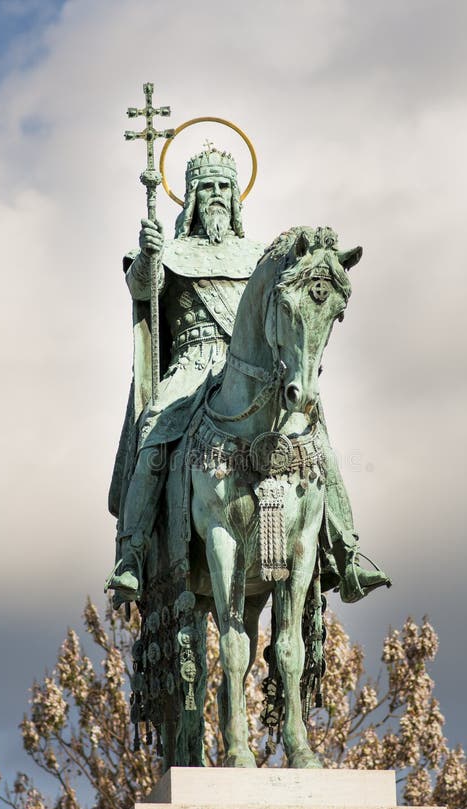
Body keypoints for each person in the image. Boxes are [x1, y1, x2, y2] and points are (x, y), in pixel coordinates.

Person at [106, 147, 389, 605]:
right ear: (190, 198)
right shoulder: (171, 252)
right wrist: (148, 257)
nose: (216, 195)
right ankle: (132, 556)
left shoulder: (261, 257)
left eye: (224, 187)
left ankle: (346, 550)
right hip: (191, 365)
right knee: (154, 433)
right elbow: (144, 288)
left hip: (257, 370)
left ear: (237, 196)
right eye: (206, 187)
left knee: (316, 433)